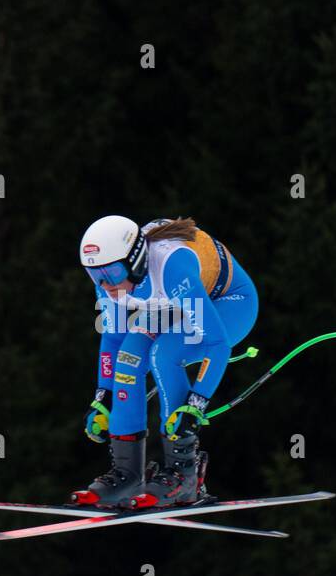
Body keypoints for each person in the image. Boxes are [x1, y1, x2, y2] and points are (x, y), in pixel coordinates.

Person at [71, 215, 259, 508]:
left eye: (112, 273)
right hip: (173, 304)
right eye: (95, 276)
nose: (106, 285)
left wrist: (195, 405)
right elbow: (112, 339)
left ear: (134, 260)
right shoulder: (113, 280)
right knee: (129, 357)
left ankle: (184, 474)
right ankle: (127, 474)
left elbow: (217, 344)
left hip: (227, 303)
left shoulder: (172, 267)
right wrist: (104, 397)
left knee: (165, 354)